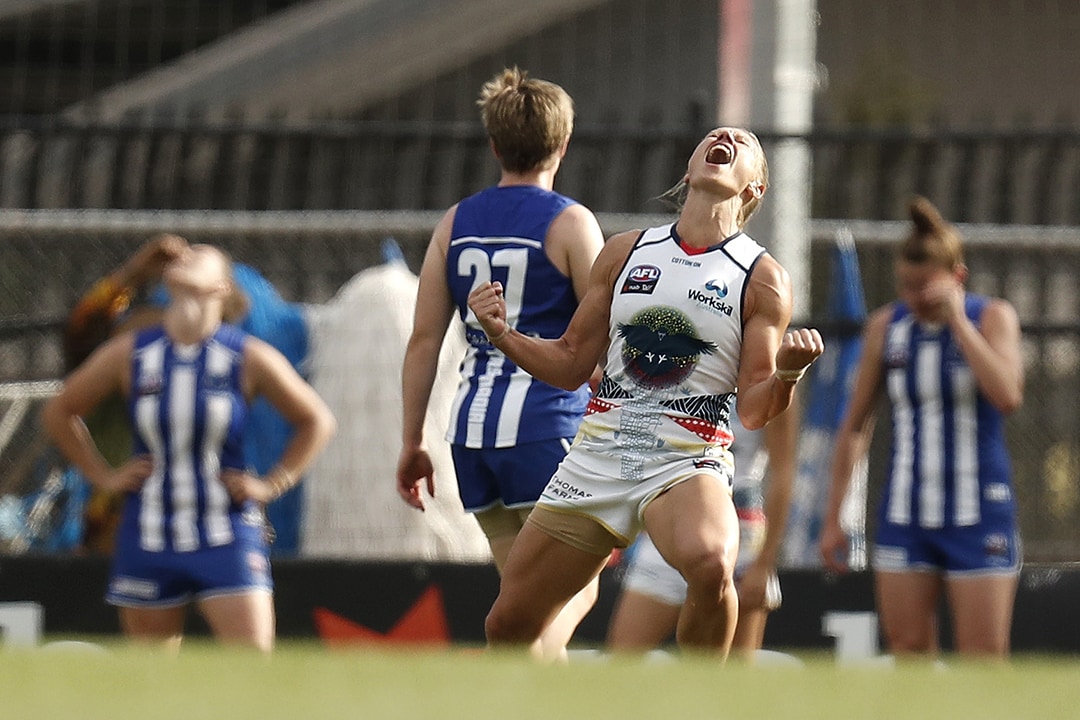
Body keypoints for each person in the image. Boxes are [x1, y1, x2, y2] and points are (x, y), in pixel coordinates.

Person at [468, 126, 824, 658]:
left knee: (709, 562)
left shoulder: (762, 277)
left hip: (684, 458)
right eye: (714, 135)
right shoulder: (625, 252)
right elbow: (569, 363)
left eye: (743, 142)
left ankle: (701, 703)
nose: (724, 135)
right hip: (601, 450)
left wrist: (787, 376)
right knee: (508, 626)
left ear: (755, 190)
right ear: (689, 169)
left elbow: (752, 409)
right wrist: (503, 333)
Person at [395, 67, 606, 660]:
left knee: (524, 597)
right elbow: (602, 338)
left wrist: (414, 440)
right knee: (568, 595)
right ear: (562, 145)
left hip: (473, 434)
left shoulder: (455, 223)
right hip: (547, 428)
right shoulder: (571, 223)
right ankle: (502, 670)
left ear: (493, 145)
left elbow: (423, 342)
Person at [42, 244, 336, 652]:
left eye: (199, 254)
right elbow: (60, 411)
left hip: (226, 529)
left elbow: (317, 421)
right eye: (181, 255)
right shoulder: (133, 352)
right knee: (153, 679)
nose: (184, 254)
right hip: (148, 532)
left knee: (254, 666)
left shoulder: (247, 356)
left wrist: (274, 483)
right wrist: (103, 476)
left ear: (222, 286)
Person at [818, 196, 1024, 660]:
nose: (915, 298)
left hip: (980, 512)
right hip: (905, 514)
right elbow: (855, 426)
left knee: (984, 655)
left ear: (957, 277)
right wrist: (834, 518)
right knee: (908, 649)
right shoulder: (885, 328)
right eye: (906, 287)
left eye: (925, 287)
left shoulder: (992, 317)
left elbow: (1008, 395)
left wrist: (958, 325)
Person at [63, 233, 311, 556]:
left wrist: (271, 485)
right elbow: (80, 337)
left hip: (211, 530)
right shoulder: (120, 362)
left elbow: (315, 420)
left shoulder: (235, 364)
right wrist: (133, 273)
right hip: (127, 526)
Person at [606, 396, 799, 657]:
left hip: (739, 533)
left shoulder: (776, 375)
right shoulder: (683, 360)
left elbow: (783, 472)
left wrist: (764, 563)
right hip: (674, 519)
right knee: (622, 658)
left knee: (731, 681)